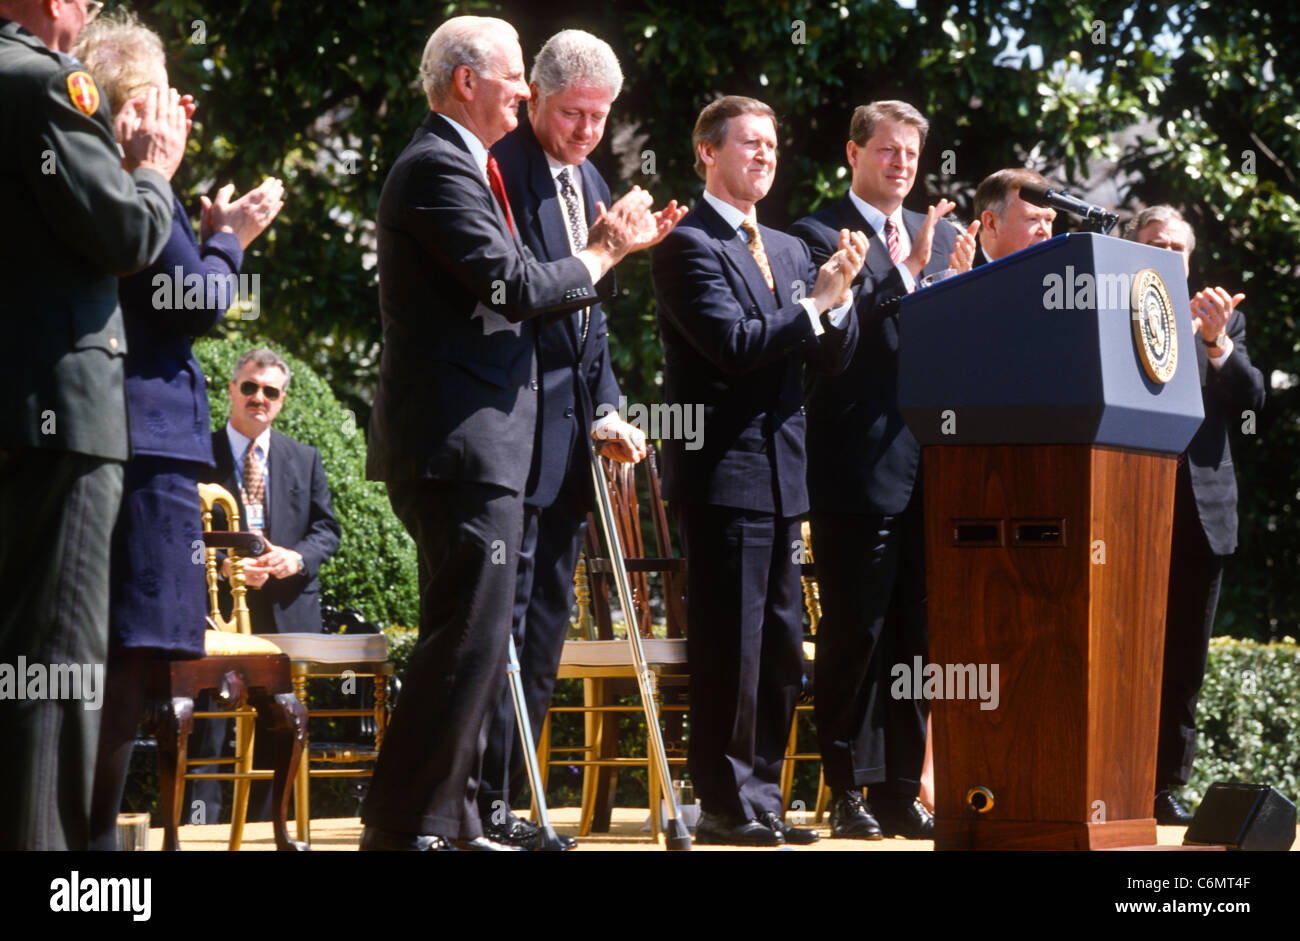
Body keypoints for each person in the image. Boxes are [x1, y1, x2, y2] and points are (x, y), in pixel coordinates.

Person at [360, 15, 680, 852]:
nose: (523, 93)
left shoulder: (465, 166)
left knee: (476, 637)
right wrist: (604, 255)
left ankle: (456, 816)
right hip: (460, 442)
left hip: (493, 443)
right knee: (464, 638)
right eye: (514, 79)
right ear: (467, 80)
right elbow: (511, 285)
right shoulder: (438, 167)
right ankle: (404, 822)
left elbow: (553, 309)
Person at [67, 12, 285, 848]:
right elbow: (188, 303)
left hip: (103, 439)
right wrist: (228, 243)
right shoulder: (128, 182)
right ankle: (88, 847)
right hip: (145, 445)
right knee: (127, 659)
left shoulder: (89, 174)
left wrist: (201, 234)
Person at [653, 95, 866, 846]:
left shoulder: (787, 247)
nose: (765, 155)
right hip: (724, 472)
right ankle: (723, 802)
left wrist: (838, 303)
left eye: (772, 145)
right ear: (707, 152)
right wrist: (816, 305)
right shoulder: (687, 244)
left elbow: (829, 360)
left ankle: (764, 798)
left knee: (778, 645)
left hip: (785, 473)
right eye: (749, 143)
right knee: (731, 645)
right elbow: (731, 344)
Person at [0, 0, 186, 851]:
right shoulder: (50, 82)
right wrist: (151, 166)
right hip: (62, 417)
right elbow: (126, 234)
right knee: (55, 659)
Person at [478, 29, 647, 849]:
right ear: (536, 97)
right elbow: (522, 297)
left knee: (545, 626)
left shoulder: (590, 177)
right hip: (514, 435)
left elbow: (593, 315)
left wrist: (609, 407)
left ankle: (513, 797)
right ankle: (478, 803)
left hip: (573, 438)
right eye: (573, 113)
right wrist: (605, 252)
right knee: (499, 627)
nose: (586, 131)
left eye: (600, 116)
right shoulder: (499, 168)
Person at [788, 100, 976, 840]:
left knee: (918, 638)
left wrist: (965, 292)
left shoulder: (949, 238)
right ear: (854, 152)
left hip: (935, 467)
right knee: (856, 632)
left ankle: (903, 788)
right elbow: (840, 343)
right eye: (888, 150)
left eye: (911, 153)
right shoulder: (815, 232)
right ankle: (846, 787)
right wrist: (908, 272)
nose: (901, 163)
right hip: (856, 464)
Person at [1128, 205, 1265, 825]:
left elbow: (1251, 403)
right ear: (1133, 248)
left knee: (1183, 663)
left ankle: (1163, 788)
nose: (1168, 252)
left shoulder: (1219, 319)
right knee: (1120, 653)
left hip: (1200, 516)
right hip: (1122, 513)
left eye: (1179, 246)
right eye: (1156, 242)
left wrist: (1216, 343)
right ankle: (1111, 779)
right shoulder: (1104, 314)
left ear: (1191, 257)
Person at [188, 348, 341, 823]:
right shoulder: (197, 454)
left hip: (286, 611)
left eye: (270, 391)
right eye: (250, 387)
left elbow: (327, 530)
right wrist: (223, 571)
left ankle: (268, 827)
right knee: (209, 728)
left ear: (282, 399)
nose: (259, 398)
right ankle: (200, 830)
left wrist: (295, 558)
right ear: (232, 390)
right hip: (214, 614)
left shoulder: (304, 457)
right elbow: (176, 530)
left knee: (279, 725)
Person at [971, 167, 1055, 264]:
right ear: (991, 224)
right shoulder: (959, 275)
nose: (1045, 231)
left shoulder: (1060, 275)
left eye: (1048, 220)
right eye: (1033, 219)